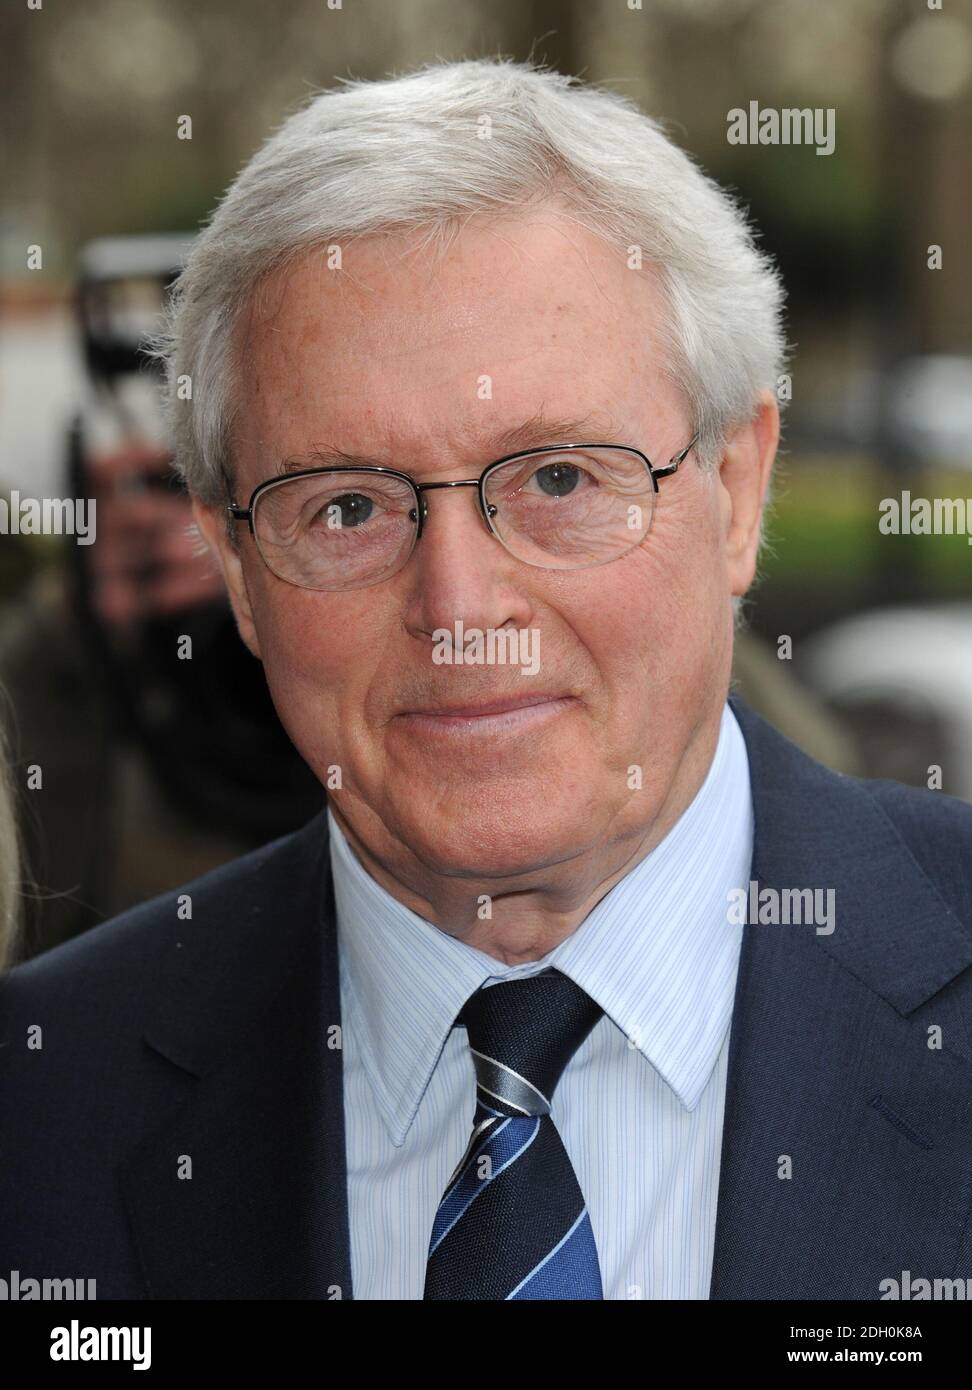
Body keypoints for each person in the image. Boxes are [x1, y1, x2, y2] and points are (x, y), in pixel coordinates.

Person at [2, 58, 970, 1302]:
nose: (458, 608)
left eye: (560, 479)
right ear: (236, 569)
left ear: (737, 489)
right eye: (346, 505)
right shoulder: (42, 1108)